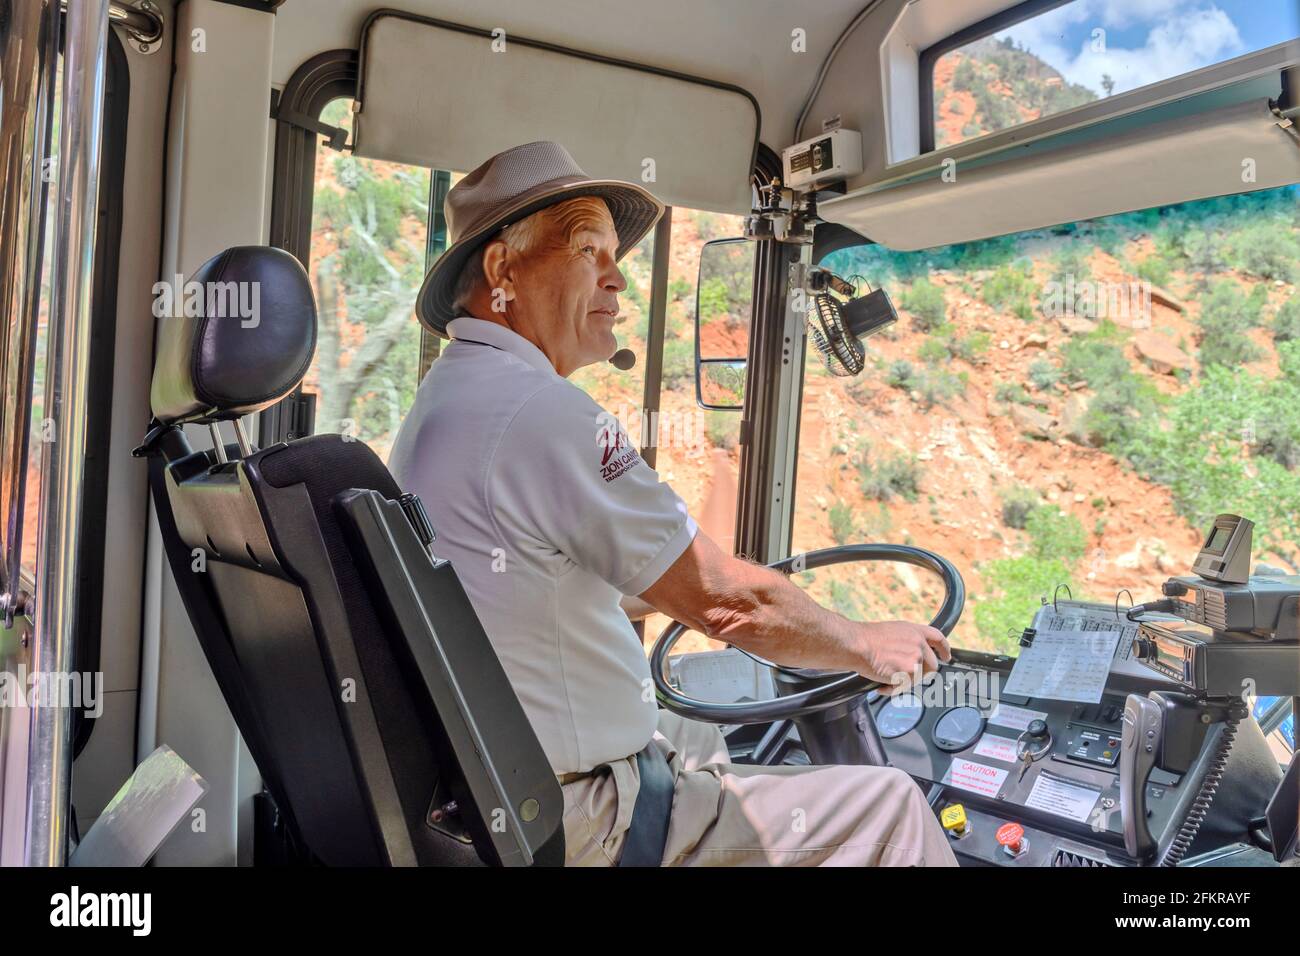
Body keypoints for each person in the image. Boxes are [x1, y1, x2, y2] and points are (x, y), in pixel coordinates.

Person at [389, 141, 957, 867]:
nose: (618, 277)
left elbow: (518, 584)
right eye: (588, 249)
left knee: (700, 738)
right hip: (577, 815)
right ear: (502, 269)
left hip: (498, 787)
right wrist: (866, 644)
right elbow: (729, 604)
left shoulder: (446, 401)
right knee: (889, 810)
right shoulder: (540, 412)